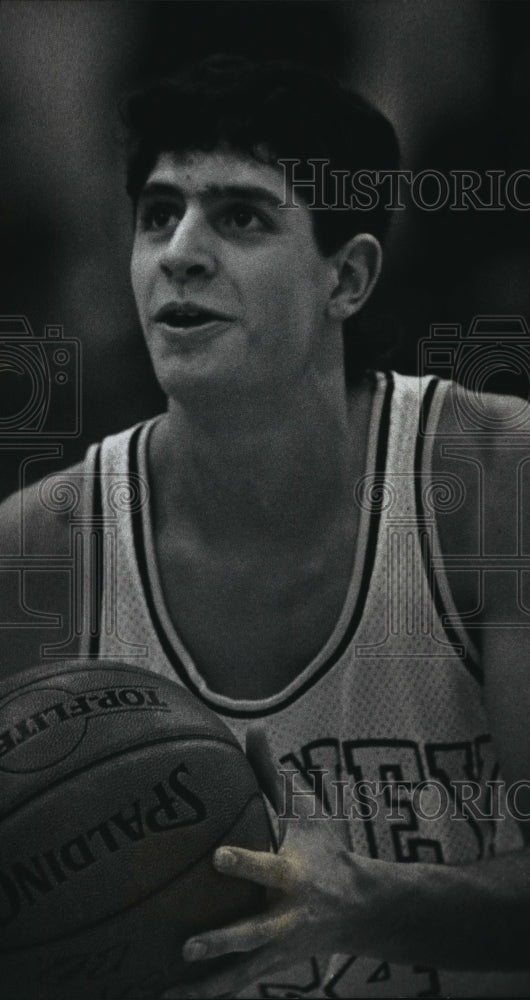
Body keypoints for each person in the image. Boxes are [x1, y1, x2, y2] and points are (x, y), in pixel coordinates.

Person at [1, 54, 530, 999]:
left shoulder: (494, 481)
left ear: (349, 278)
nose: (180, 252)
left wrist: (365, 900)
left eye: (240, 216)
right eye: (158, 215)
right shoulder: (39, 548)